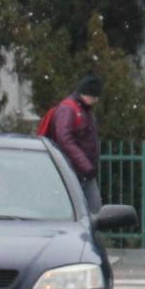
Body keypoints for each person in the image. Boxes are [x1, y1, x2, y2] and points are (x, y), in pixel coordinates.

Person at [49, 73, 105, 212]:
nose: (96, 100)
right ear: (87, 94)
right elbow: (64, 139)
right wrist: (85, 165)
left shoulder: (83, 110)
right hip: (76, 170)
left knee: (92, 209)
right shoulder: (69, 109)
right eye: (94, 96)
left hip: (82, 170)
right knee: (92, 209)